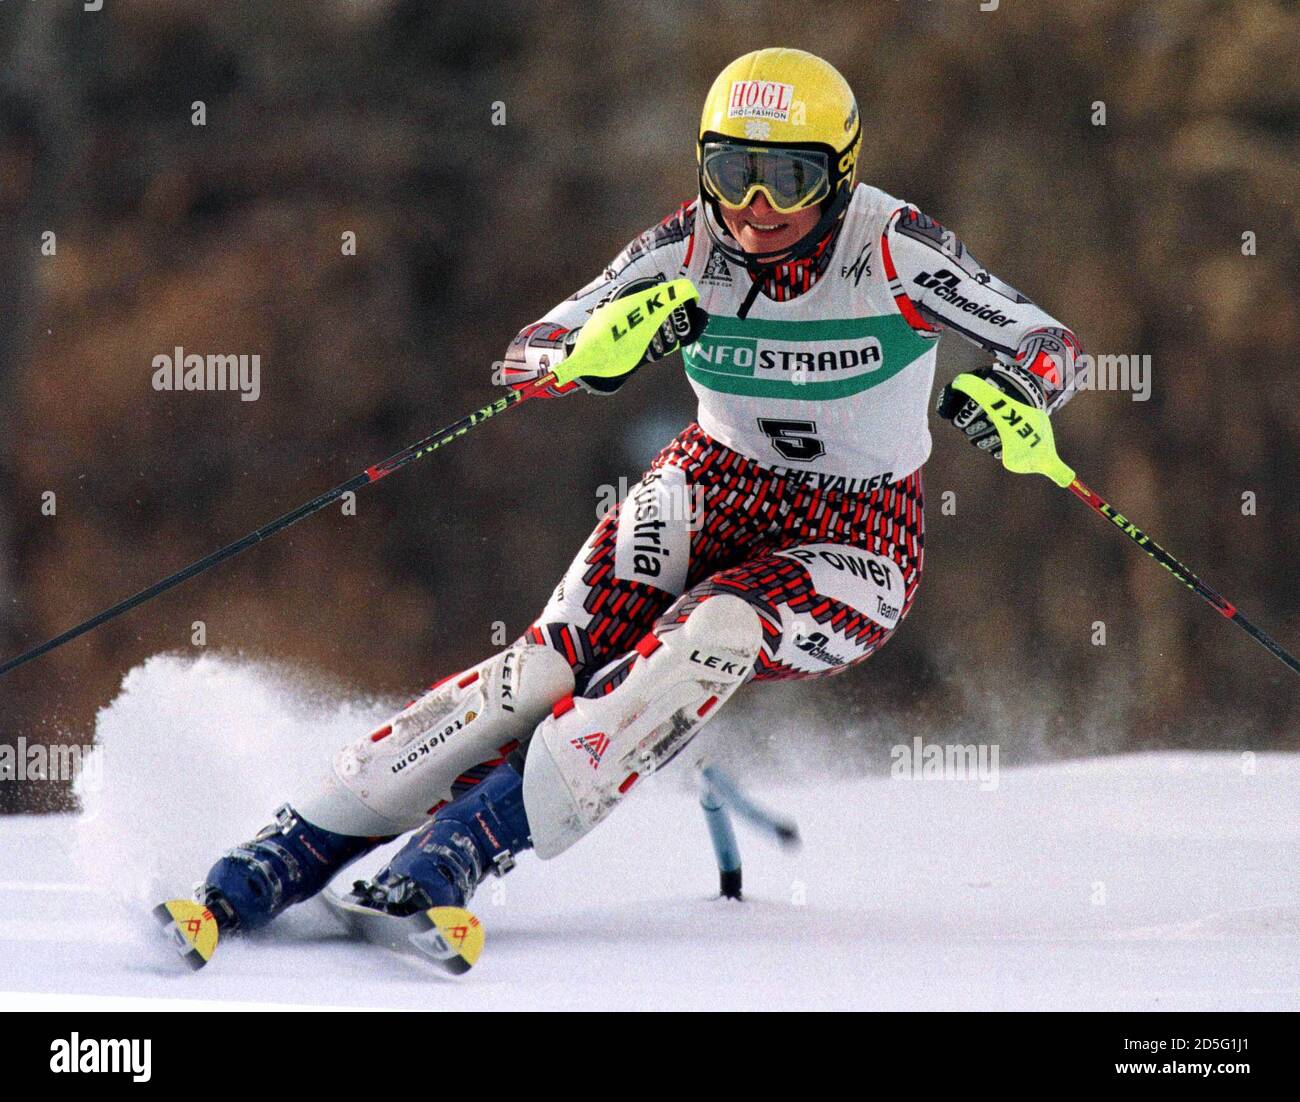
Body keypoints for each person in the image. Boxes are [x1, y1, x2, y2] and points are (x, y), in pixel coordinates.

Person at [198, 47, 1083, 930]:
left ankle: (467, 844)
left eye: (790, 178)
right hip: (711, 483)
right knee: (546, 669)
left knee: (714, 632)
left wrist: (1020, 397)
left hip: (857, 531)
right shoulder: (686, 245)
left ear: (842, 177)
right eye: (733, 172)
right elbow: (529, 350)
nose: (756, 207)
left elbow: (1050, 344)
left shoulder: (893, 248)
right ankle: (296, 844)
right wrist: (591, 352)